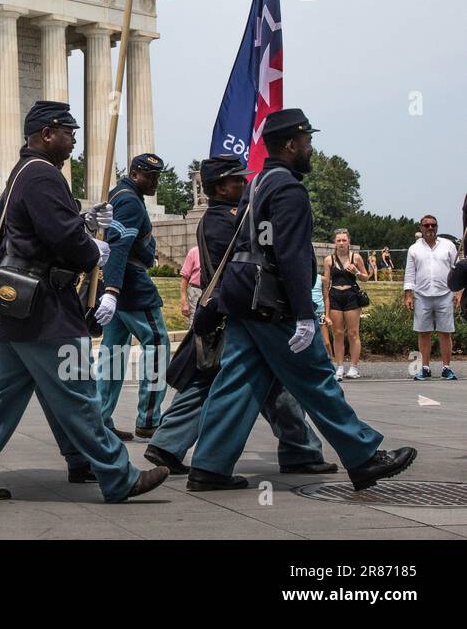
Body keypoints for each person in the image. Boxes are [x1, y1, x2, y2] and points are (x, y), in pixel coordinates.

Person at [0, 100, 167, 503]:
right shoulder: (43, 176)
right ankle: (119, 475)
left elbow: (41, 230)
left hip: (19, 308)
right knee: (80, 393)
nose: (74, 143)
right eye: (69, 134)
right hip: (44, 308)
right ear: (48, 133)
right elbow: (59, 237)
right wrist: (91, 248)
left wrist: (81, 222)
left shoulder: (25, 173)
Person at [188, 109, 416, 492]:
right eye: (308, 142)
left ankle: (209, 466)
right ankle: (362, 456)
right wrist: (306, 314)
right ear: (291, 145)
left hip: (243, 294)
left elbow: (250, 244)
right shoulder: (289, 189)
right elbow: (291, 254)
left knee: (237, 380)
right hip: (271, 301)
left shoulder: (258, 183)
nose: (311, 148)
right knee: (315, 377)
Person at [143, 155, 335, 478]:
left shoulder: (222, 218)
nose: (244, 184)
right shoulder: (225, 222)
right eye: (237, 181)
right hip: (237, 313)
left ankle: (167, 443)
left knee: (209, 380)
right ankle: (298, 450)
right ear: (219, 187)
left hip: (223, 313)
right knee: (273, 384)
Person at [95, 153, 169, 440]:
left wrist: (110, 290)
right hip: (132, 286)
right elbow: (119, 245)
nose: (155, 183)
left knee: (112, 354)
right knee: (158, 343)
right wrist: (112, 290)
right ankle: (149, 418)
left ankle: (100, 419)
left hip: (118, 285)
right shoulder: (129, 201)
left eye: (158, 177)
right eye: (151, 176)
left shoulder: (120, 195)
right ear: (136, 173)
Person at [404, 215, 460, 380]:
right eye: (426, 225)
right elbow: (410, 273)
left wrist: (458, 291)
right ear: (421, 227)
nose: (430, 228)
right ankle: (425, 367)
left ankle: (446, 367)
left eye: (433, 225)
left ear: (437, 227)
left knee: (445, 332)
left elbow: (457, 271)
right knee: (423, 332)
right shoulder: (414, 249)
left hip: (445, 294)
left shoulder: (448, 246)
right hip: (422, 295)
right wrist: (408, 294)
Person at [323, 228, 370, 380]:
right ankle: (339, 366)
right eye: (339, 240)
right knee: (337, 333)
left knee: (353, 333)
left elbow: (365, 278)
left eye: (344, 240)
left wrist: (356, 272)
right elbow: (326, 283)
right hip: (335, 295)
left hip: (351, 295)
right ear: (334, 243)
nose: (342, 243)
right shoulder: (329, 260)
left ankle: (354, 367)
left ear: (349, 241)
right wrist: (326, 306)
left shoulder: (356, 258)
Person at [179, 245, 202, 320]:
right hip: (196, 292)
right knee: (194, 324)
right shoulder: (194, 252)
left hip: (215, 291)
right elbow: (184, 279)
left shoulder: (219, 251)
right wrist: (184, 302)